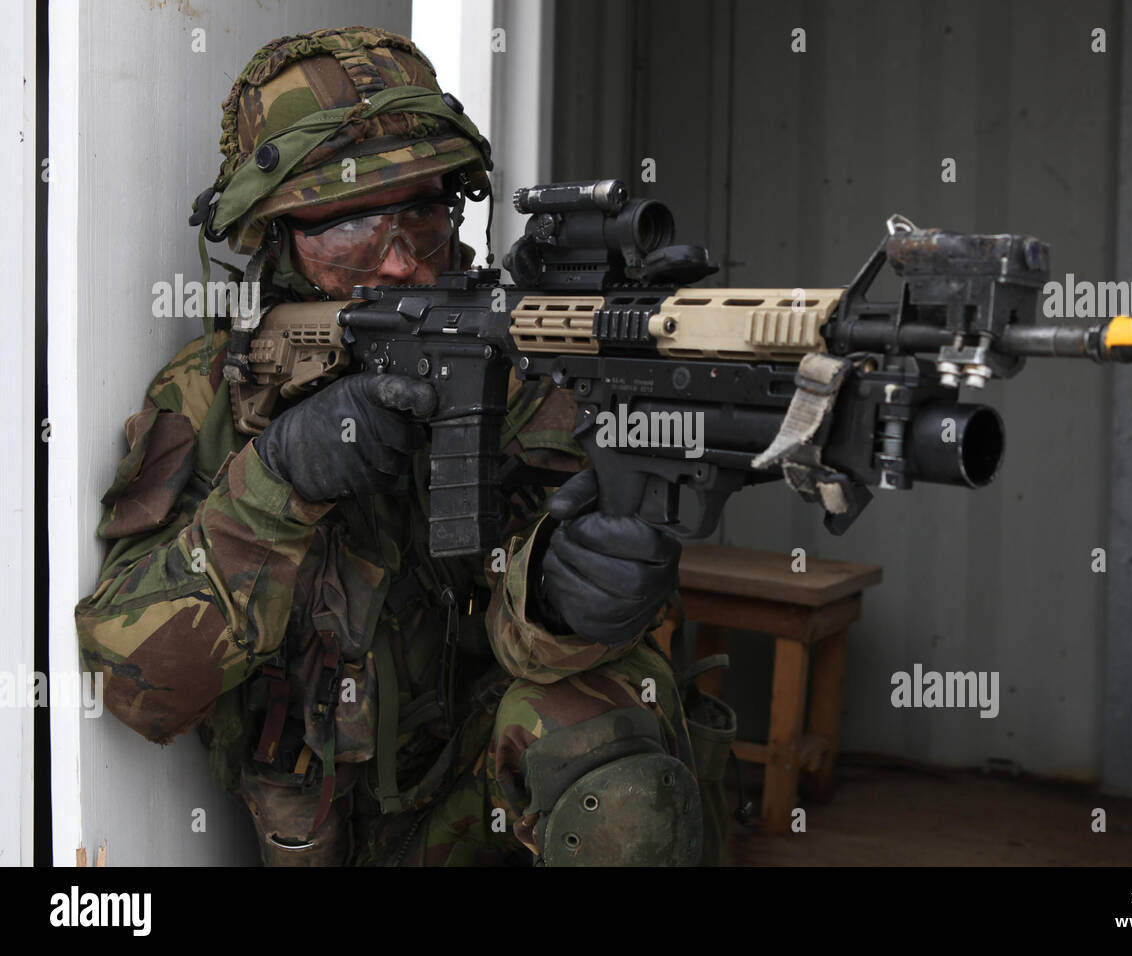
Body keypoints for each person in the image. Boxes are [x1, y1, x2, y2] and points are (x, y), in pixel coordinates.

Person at [75, 25, 711, 866]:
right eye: (349, 235)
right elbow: (136, 685)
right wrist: (278, 483)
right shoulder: (212, 395)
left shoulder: (518, 375)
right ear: (276, 245)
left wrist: (564, 596)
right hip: (322, 833)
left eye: (424, 214)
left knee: (607, 733)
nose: (405, 264)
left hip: (479, 808)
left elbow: (536, 647)